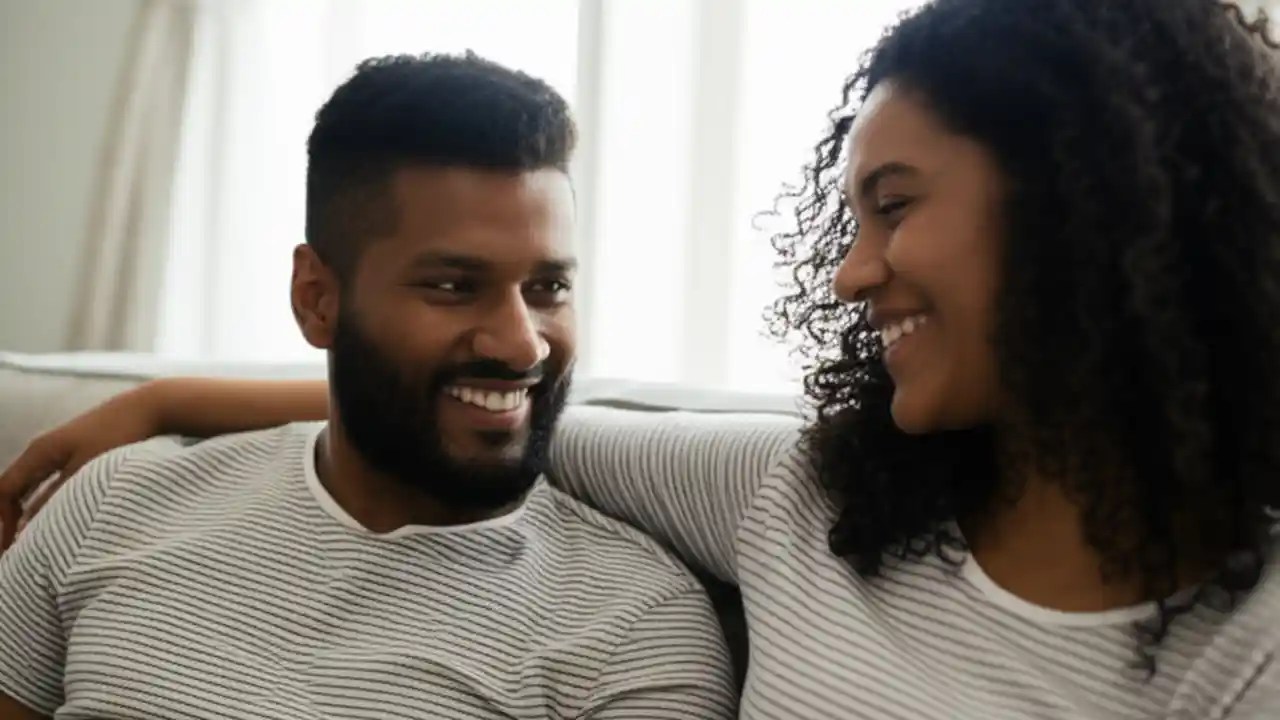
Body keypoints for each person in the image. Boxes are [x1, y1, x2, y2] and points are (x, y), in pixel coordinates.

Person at [6, 0, 1280, 717]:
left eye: (892, 206)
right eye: (852, 221)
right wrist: (164, 402)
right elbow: (518, 413)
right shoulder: (806, 498)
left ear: (1087, 209)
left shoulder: (1250, 642)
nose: (850, 269)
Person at [0, 52, 738, 720]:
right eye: (454, 285)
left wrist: (161, 400)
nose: (520, 343)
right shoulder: (112, 502)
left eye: (548, 286)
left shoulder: (634, 627)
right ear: (317, 299)